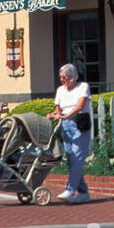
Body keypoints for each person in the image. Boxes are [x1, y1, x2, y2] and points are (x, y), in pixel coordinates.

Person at [48, 63, 91, 203]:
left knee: (77, 158)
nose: (61, 80)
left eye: (64, 77)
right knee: (71, 159)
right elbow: (58, 109)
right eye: (60, 77)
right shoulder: (60, 90)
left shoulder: (83, 87)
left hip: (79, 124)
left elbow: (80, 106)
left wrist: (67, 115)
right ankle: (84, 192)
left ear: (72, 77)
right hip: (65, 126)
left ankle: (70, 190)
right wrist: (55, 115)